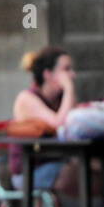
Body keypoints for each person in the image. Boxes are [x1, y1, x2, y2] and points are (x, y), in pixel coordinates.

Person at [10, 47, 76, 192]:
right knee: (82, 173)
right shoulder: (26, 98)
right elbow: (60, 125)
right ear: (48, 74)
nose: (72, 74)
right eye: (66, 69)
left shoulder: (60, 99)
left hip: (54, 163)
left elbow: (76, 127)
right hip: (29, 172)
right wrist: (70, 89)